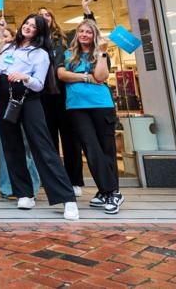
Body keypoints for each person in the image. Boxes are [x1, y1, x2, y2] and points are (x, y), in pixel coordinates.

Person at [0, 14, 80, 220]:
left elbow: (39, 84)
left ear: (39, 32)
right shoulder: (9, 47)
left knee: (42, 146)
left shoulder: (40, 53)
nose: (28, 27)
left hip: (28, 97)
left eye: (33, 26)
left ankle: (67, 198)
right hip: (4, 96)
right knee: (11, 145)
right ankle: (24, 194)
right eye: (27, 23)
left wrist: (25, 77)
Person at [57, 19, 124, 214]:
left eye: (88, 32)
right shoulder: (68, 54)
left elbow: (101, 77)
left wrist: (102, 53)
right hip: (77, 107)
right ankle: (112, 192)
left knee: (106, 149)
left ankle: (107, 192)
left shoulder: (100, 54)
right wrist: (86, 77)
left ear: (94, 35)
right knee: (90, 147)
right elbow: (62, 75)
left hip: (101, 105)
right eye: (81, 31)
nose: (84, 35)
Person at [38, 0, 92, 197]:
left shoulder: (65, 38)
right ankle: (55, 181)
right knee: (49, 142)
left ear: (52, 18)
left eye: (47, 14)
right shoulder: (33, 42)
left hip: (65, 94)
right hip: (43, 96)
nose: (44, 17)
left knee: (71, 140)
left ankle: (75, 181)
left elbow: (89, 32)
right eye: (40, 15)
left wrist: (86, 11)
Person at [0, 16, 40, 199]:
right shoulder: (2, 52)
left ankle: (31, 186)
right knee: (5, 144)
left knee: (25, 142)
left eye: (8, 37)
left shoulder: (28, 51)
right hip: (1, 95)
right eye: (3, 38)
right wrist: (1, 33)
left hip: (22, 95)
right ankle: (7, 187)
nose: (6, 40)